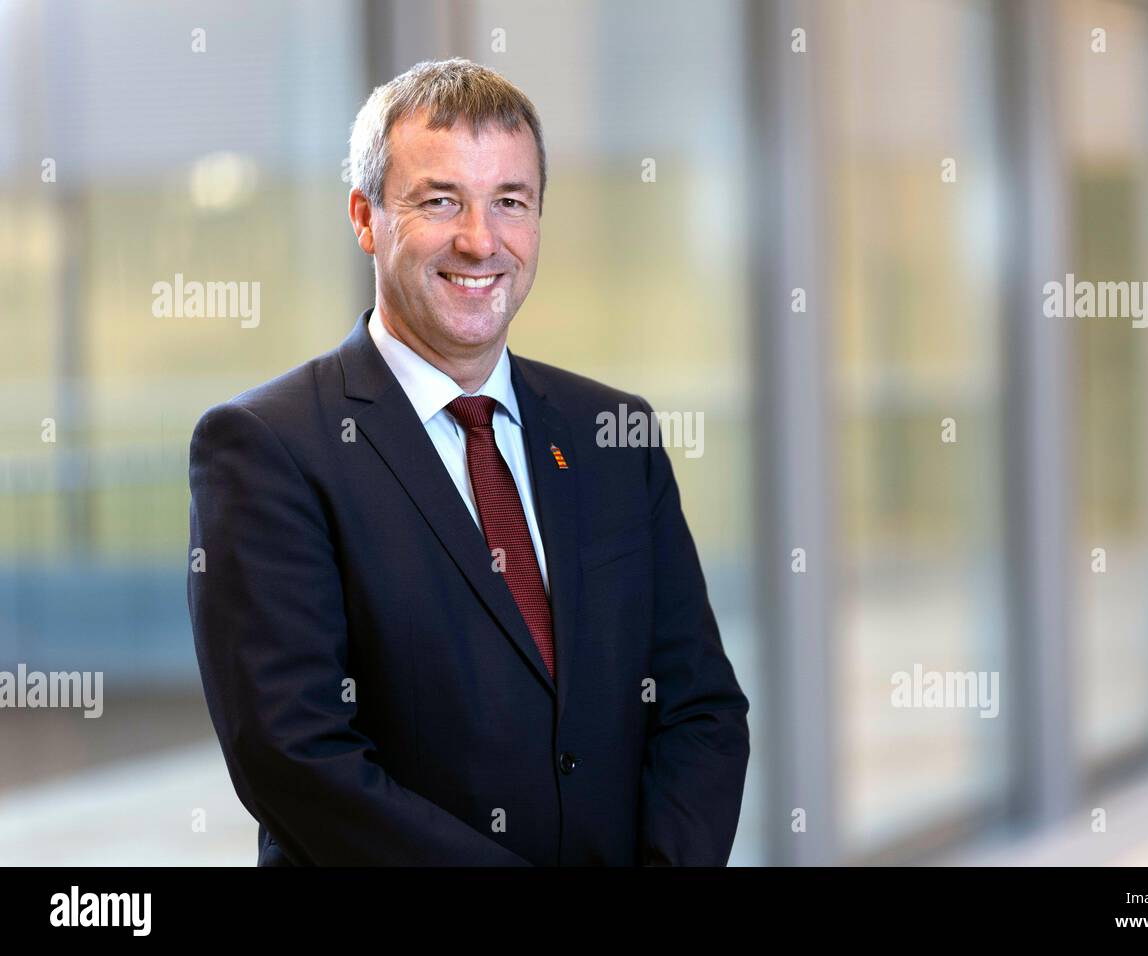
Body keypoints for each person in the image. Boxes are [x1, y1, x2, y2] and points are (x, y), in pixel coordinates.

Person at [187, 58, 750, 866]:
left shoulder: (611, 432)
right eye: (440, 200)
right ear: (365, 216)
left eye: (509, 203)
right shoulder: (268, 448)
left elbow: (701, 709)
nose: (480, 241)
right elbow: (296, 758)